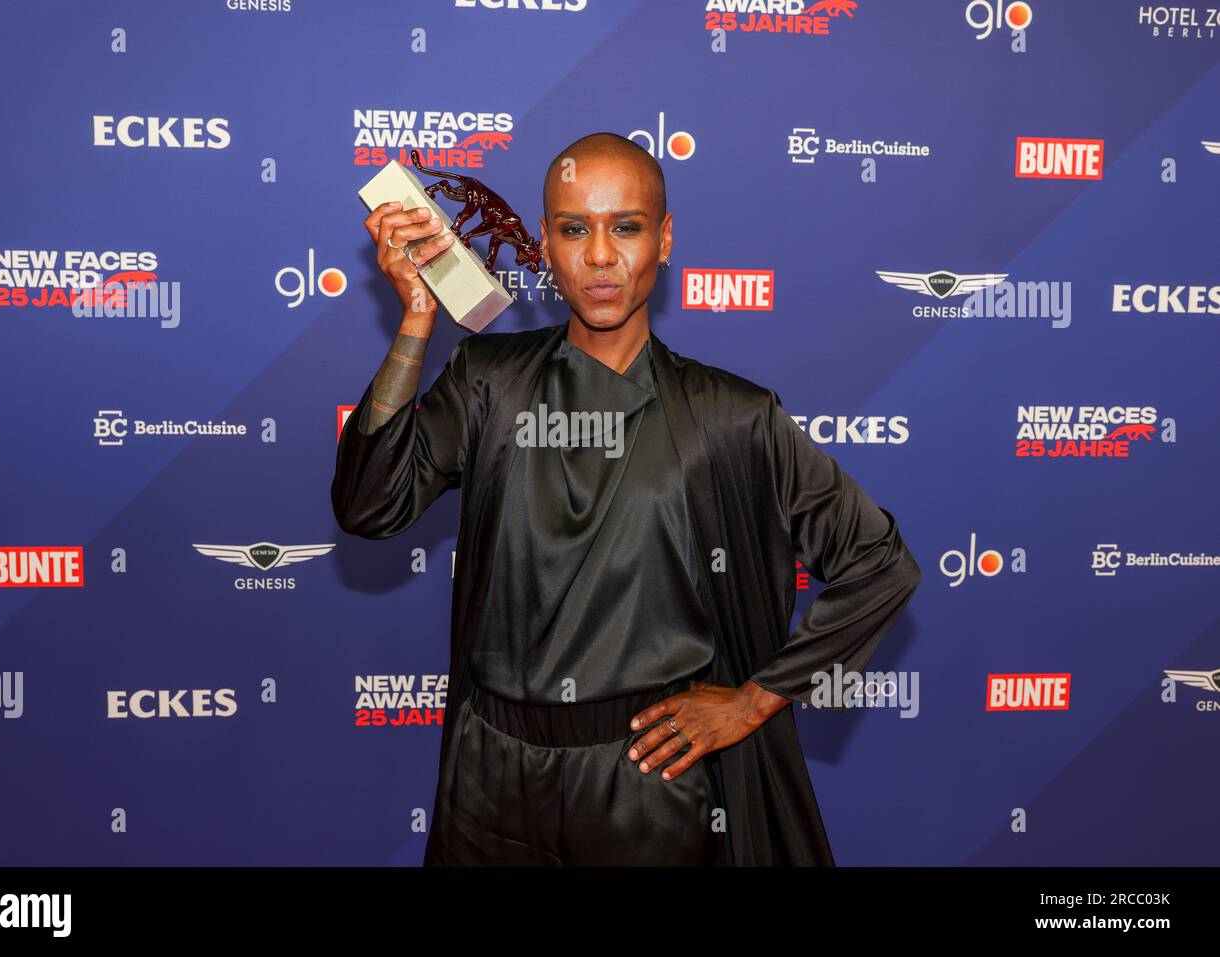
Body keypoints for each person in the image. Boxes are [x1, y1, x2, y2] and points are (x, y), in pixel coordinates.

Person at [332, 131, 921, 866]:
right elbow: (367, 506)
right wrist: (417, 317)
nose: (602, 256)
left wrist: (751, 701)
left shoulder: (730, 415)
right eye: (575, 229)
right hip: (489, 778)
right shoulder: (488, 380)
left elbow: (880, 563)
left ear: (665, 239)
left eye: (627, 227)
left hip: (649, 784)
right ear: (545, 243)